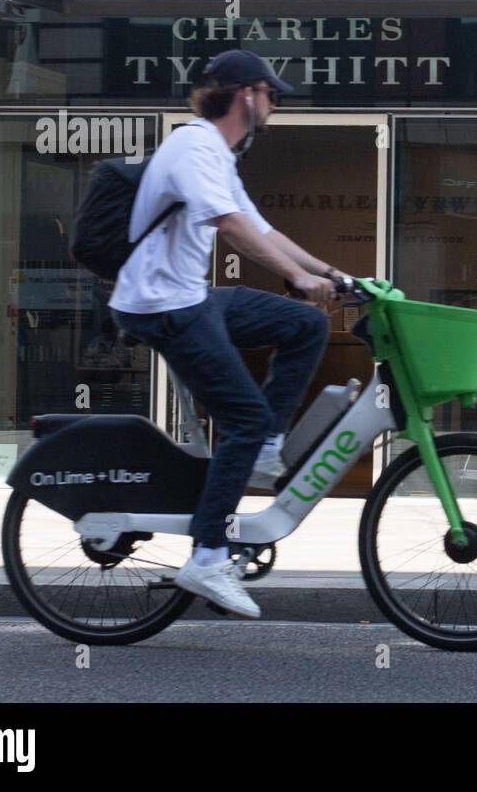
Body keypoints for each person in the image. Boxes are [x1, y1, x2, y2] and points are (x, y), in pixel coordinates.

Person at [110, 49, 350, 618]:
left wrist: (332, 275)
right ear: (248, 94)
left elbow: (264, 227)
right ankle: (209, 554)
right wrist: (295, 276)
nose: (275, 106)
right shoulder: (193, 146)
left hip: (192, 298)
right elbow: (233, 227)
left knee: (304, 324)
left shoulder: (218, 155)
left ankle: (266, 445)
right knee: (241, 419)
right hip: (161, 305)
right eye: (273, 95)